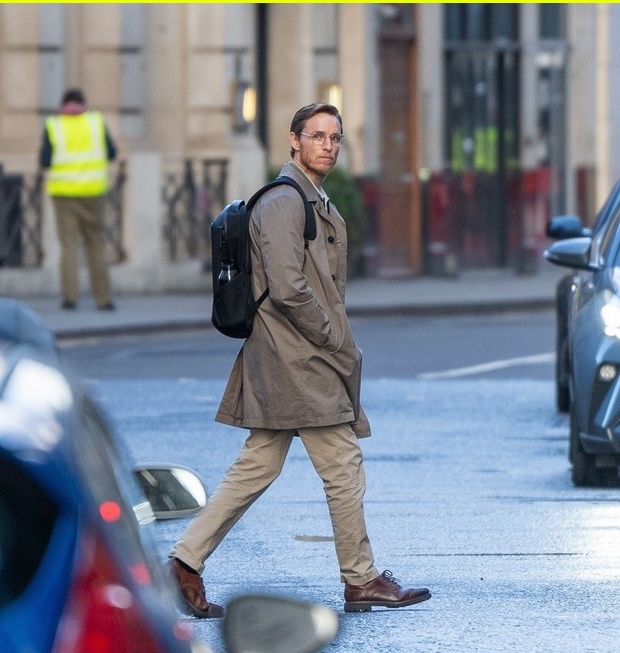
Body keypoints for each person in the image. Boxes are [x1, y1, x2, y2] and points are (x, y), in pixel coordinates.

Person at [168, 103, 431, 618]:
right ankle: (361, 579)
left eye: (335, 137)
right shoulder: (286, 201)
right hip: (298, 355)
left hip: (291, 352)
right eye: (317, 136)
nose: (328, 145)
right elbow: (289, 288)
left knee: (257, 464)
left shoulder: (310, 198)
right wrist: (333, 338)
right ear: (294, 141)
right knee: (342, 462)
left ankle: (184, 561)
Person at [39, 88, 117, 311]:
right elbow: (111, 153)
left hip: (64, 194)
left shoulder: (54, 125)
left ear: (63, 105)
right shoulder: (96, 122)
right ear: (84, 104)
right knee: (96, 246)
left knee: (69, 246)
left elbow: (45, 160)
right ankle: (103, 299)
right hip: (94, 193)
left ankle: (70, 297)